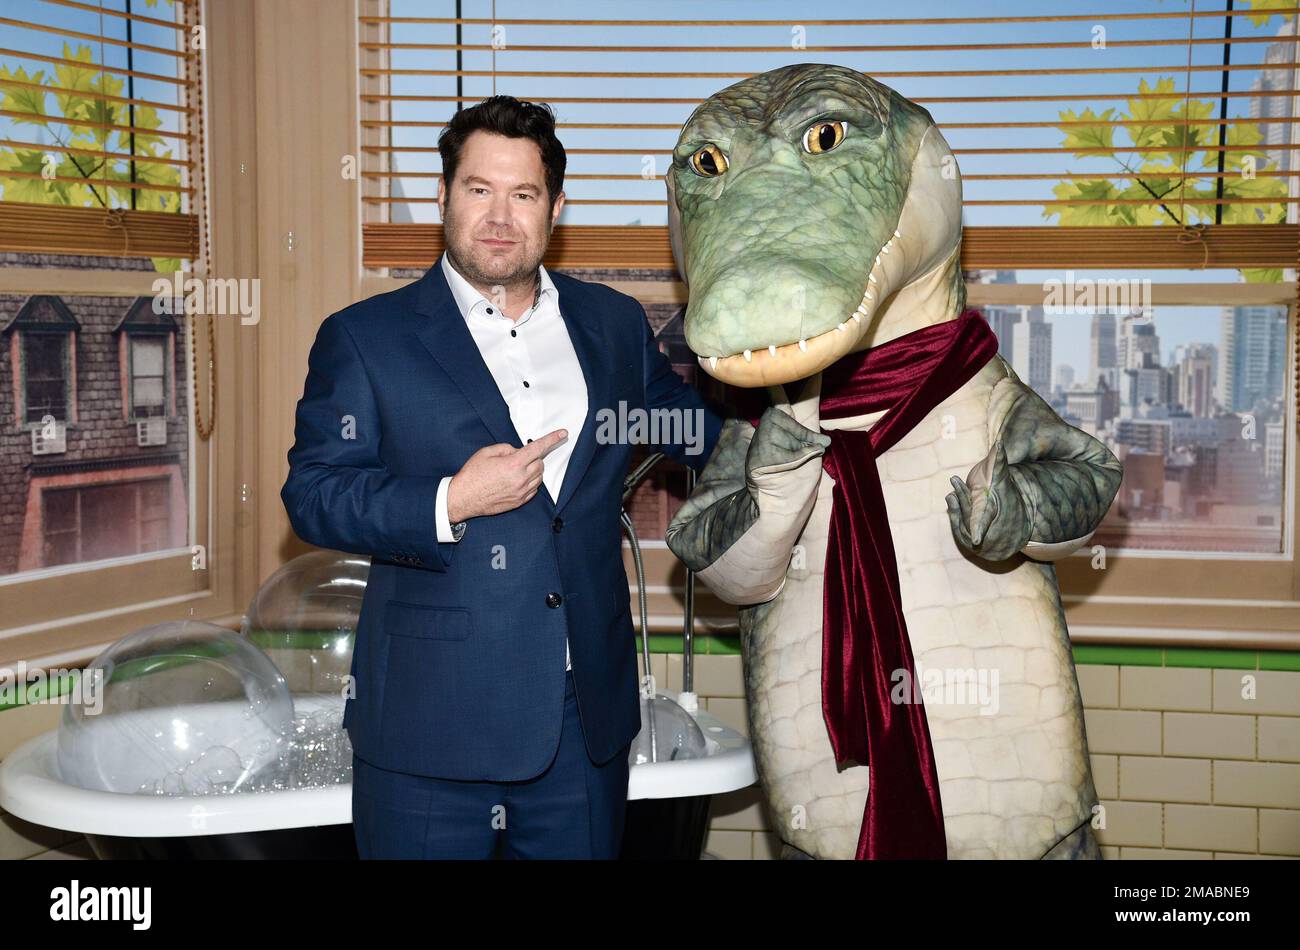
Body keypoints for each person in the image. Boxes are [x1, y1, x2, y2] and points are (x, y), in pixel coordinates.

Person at [281, 95, 724, 859]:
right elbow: (313, 495)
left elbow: (686, 430)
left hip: (584, 731)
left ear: (555, 207)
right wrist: (451, 500)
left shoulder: (613, 324)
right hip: (427, 732)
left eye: (522, 194)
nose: (498, 215)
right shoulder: (364, 338)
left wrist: (809, 415)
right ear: (445, 196)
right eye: (478, 189)